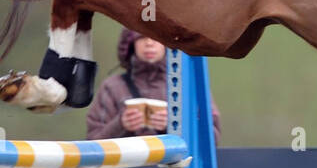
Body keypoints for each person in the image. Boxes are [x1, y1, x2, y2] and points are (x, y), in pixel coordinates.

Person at [86, 29, 222, 142]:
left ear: (167, 44)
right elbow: (93, 143)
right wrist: (121, 124)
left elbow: (213, 137)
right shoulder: (112, 87)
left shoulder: (189, 86)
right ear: (131, 44)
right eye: (142, 37)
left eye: (157, 37)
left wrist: (174, 125)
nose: (149, 43)